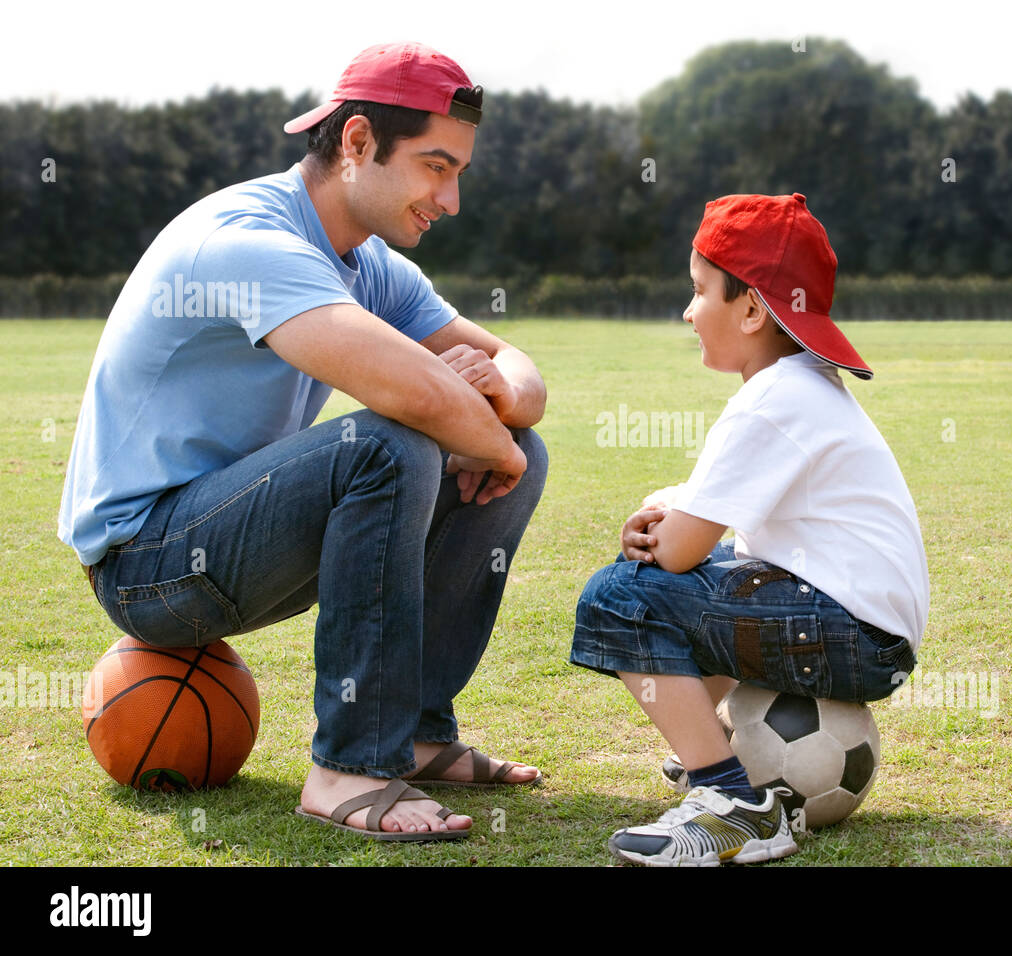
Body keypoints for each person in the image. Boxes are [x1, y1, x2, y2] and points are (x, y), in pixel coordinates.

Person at [59, 42, 547, 842]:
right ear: (356, 143)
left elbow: (517, 371)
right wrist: (488, 425)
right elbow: (411, 393)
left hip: (237, 542)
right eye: (435, 166)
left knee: (512, 455)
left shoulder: (368, 264)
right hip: (144, 565)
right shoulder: (247, 239)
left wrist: (503, 413)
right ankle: (349, 767)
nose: (451, 199)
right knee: (392, 444)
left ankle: (418, 734)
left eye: (457, 171)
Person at [570, 193, 930, 865]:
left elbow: (679, 553)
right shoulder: (802, 384)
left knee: (618, 597)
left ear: (753, 308)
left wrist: (654, 536)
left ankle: (732, 801)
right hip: (869, 629)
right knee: (675, 588)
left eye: (699, 290)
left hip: (852, 630)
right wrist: (666, 513)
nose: (687, 311)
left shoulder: (769, 399)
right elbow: (720, 505)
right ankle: (719, 758)